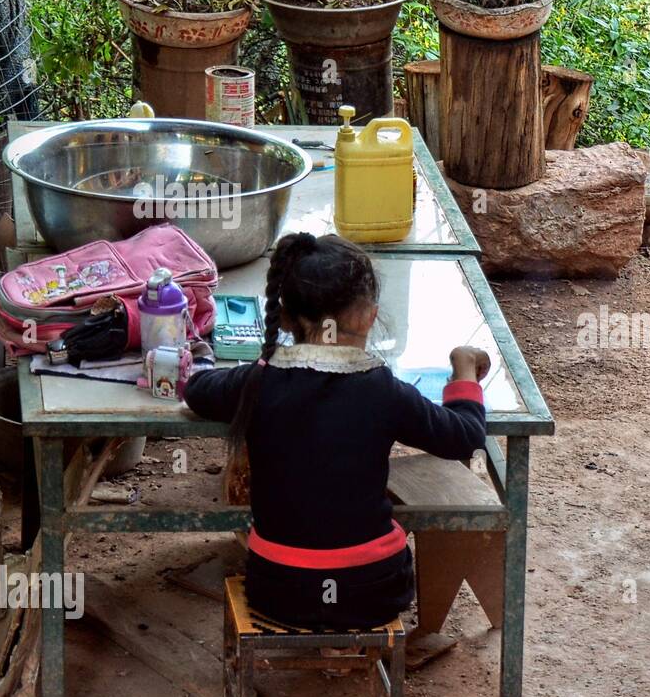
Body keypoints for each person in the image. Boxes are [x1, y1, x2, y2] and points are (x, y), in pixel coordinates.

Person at [184, 232, 488, 629]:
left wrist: (202, 358)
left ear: (287, 316)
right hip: (374, 591)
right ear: (369, 316)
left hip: (277, 590)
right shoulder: (383, 389)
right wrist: (464, 368)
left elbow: (197, 391)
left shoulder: (258, 382)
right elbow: (464, 436)